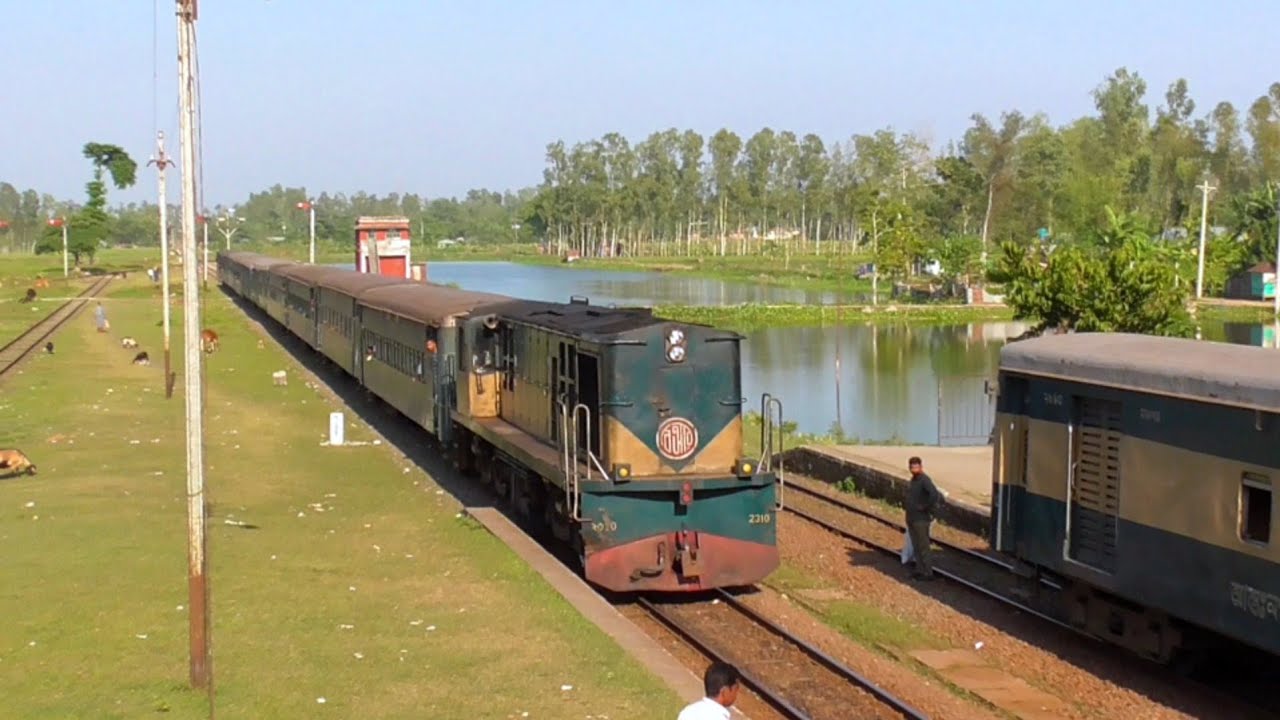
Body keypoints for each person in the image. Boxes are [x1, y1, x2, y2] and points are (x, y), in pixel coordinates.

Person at [905, 456, 943, 581]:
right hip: (912, 517)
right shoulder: (913, 480)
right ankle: (919, 569)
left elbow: (934, 494)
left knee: (923, 546)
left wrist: (925, 507)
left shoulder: (924, 480)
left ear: (921, 467)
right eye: (912, 467)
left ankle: (927, 572)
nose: (913, 469)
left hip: (921, 519)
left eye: (916, 467)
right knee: (916, 545)